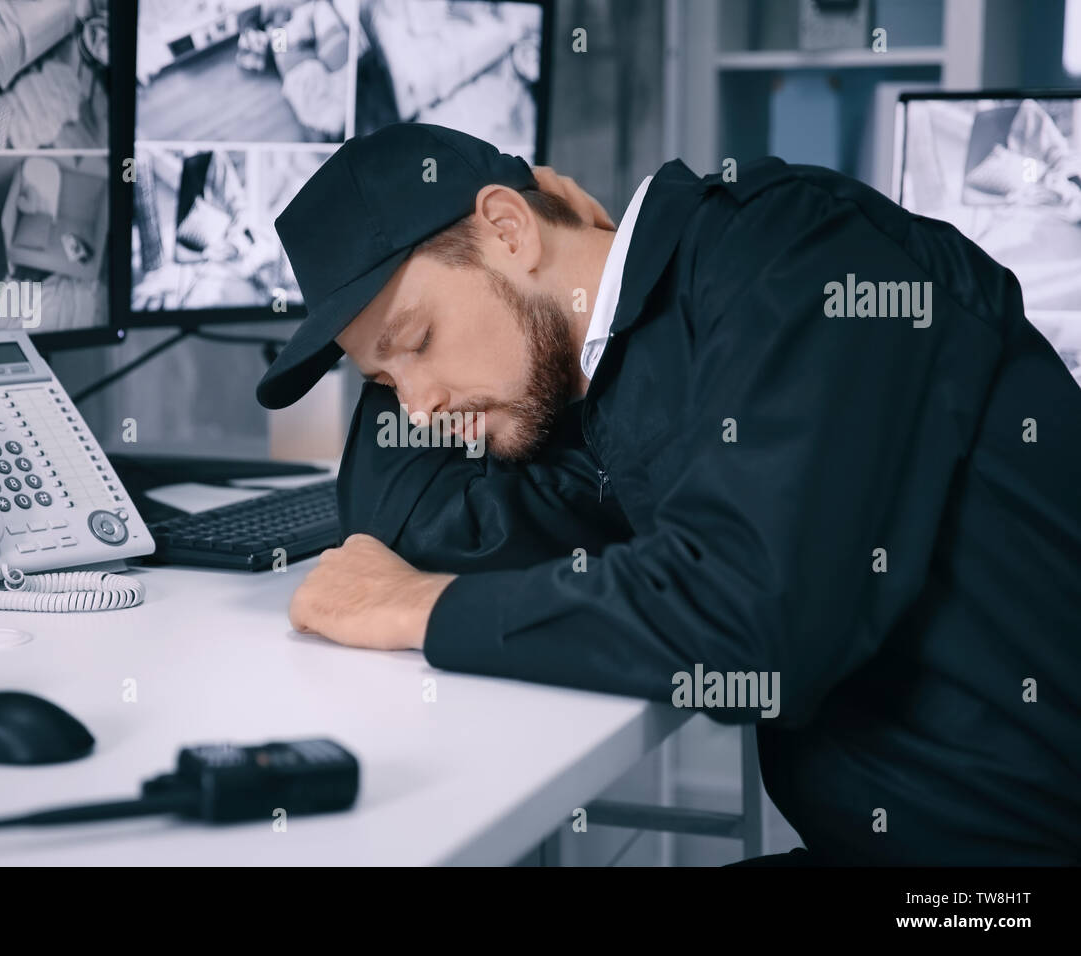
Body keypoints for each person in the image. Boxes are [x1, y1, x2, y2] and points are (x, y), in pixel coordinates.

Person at [254, 123, 1081, 865]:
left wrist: (421, 610)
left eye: (418, 342)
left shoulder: (794, 248)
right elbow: (418, 529)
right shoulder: (598, 402)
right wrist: (387, 350)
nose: (418, 407)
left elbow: (758, 619)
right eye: (382, 380)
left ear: (508, 228)